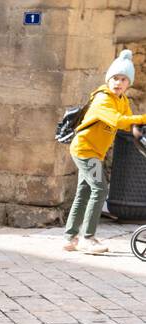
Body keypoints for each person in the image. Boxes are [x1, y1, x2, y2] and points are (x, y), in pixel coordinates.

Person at [63, 49, 146, 255]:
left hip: (95, 152)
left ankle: (70, 238)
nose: (118, 83)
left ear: (129, 83)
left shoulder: (122, 101)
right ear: (109, 79)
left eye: (123, 79)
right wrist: (143, 118)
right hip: (85, 149)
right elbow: (118, 121)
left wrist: (140, 128)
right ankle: (88, 239)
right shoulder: (103, 98)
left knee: (84, 192)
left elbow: (128, 125)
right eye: (115, 78)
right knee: (100, 189)